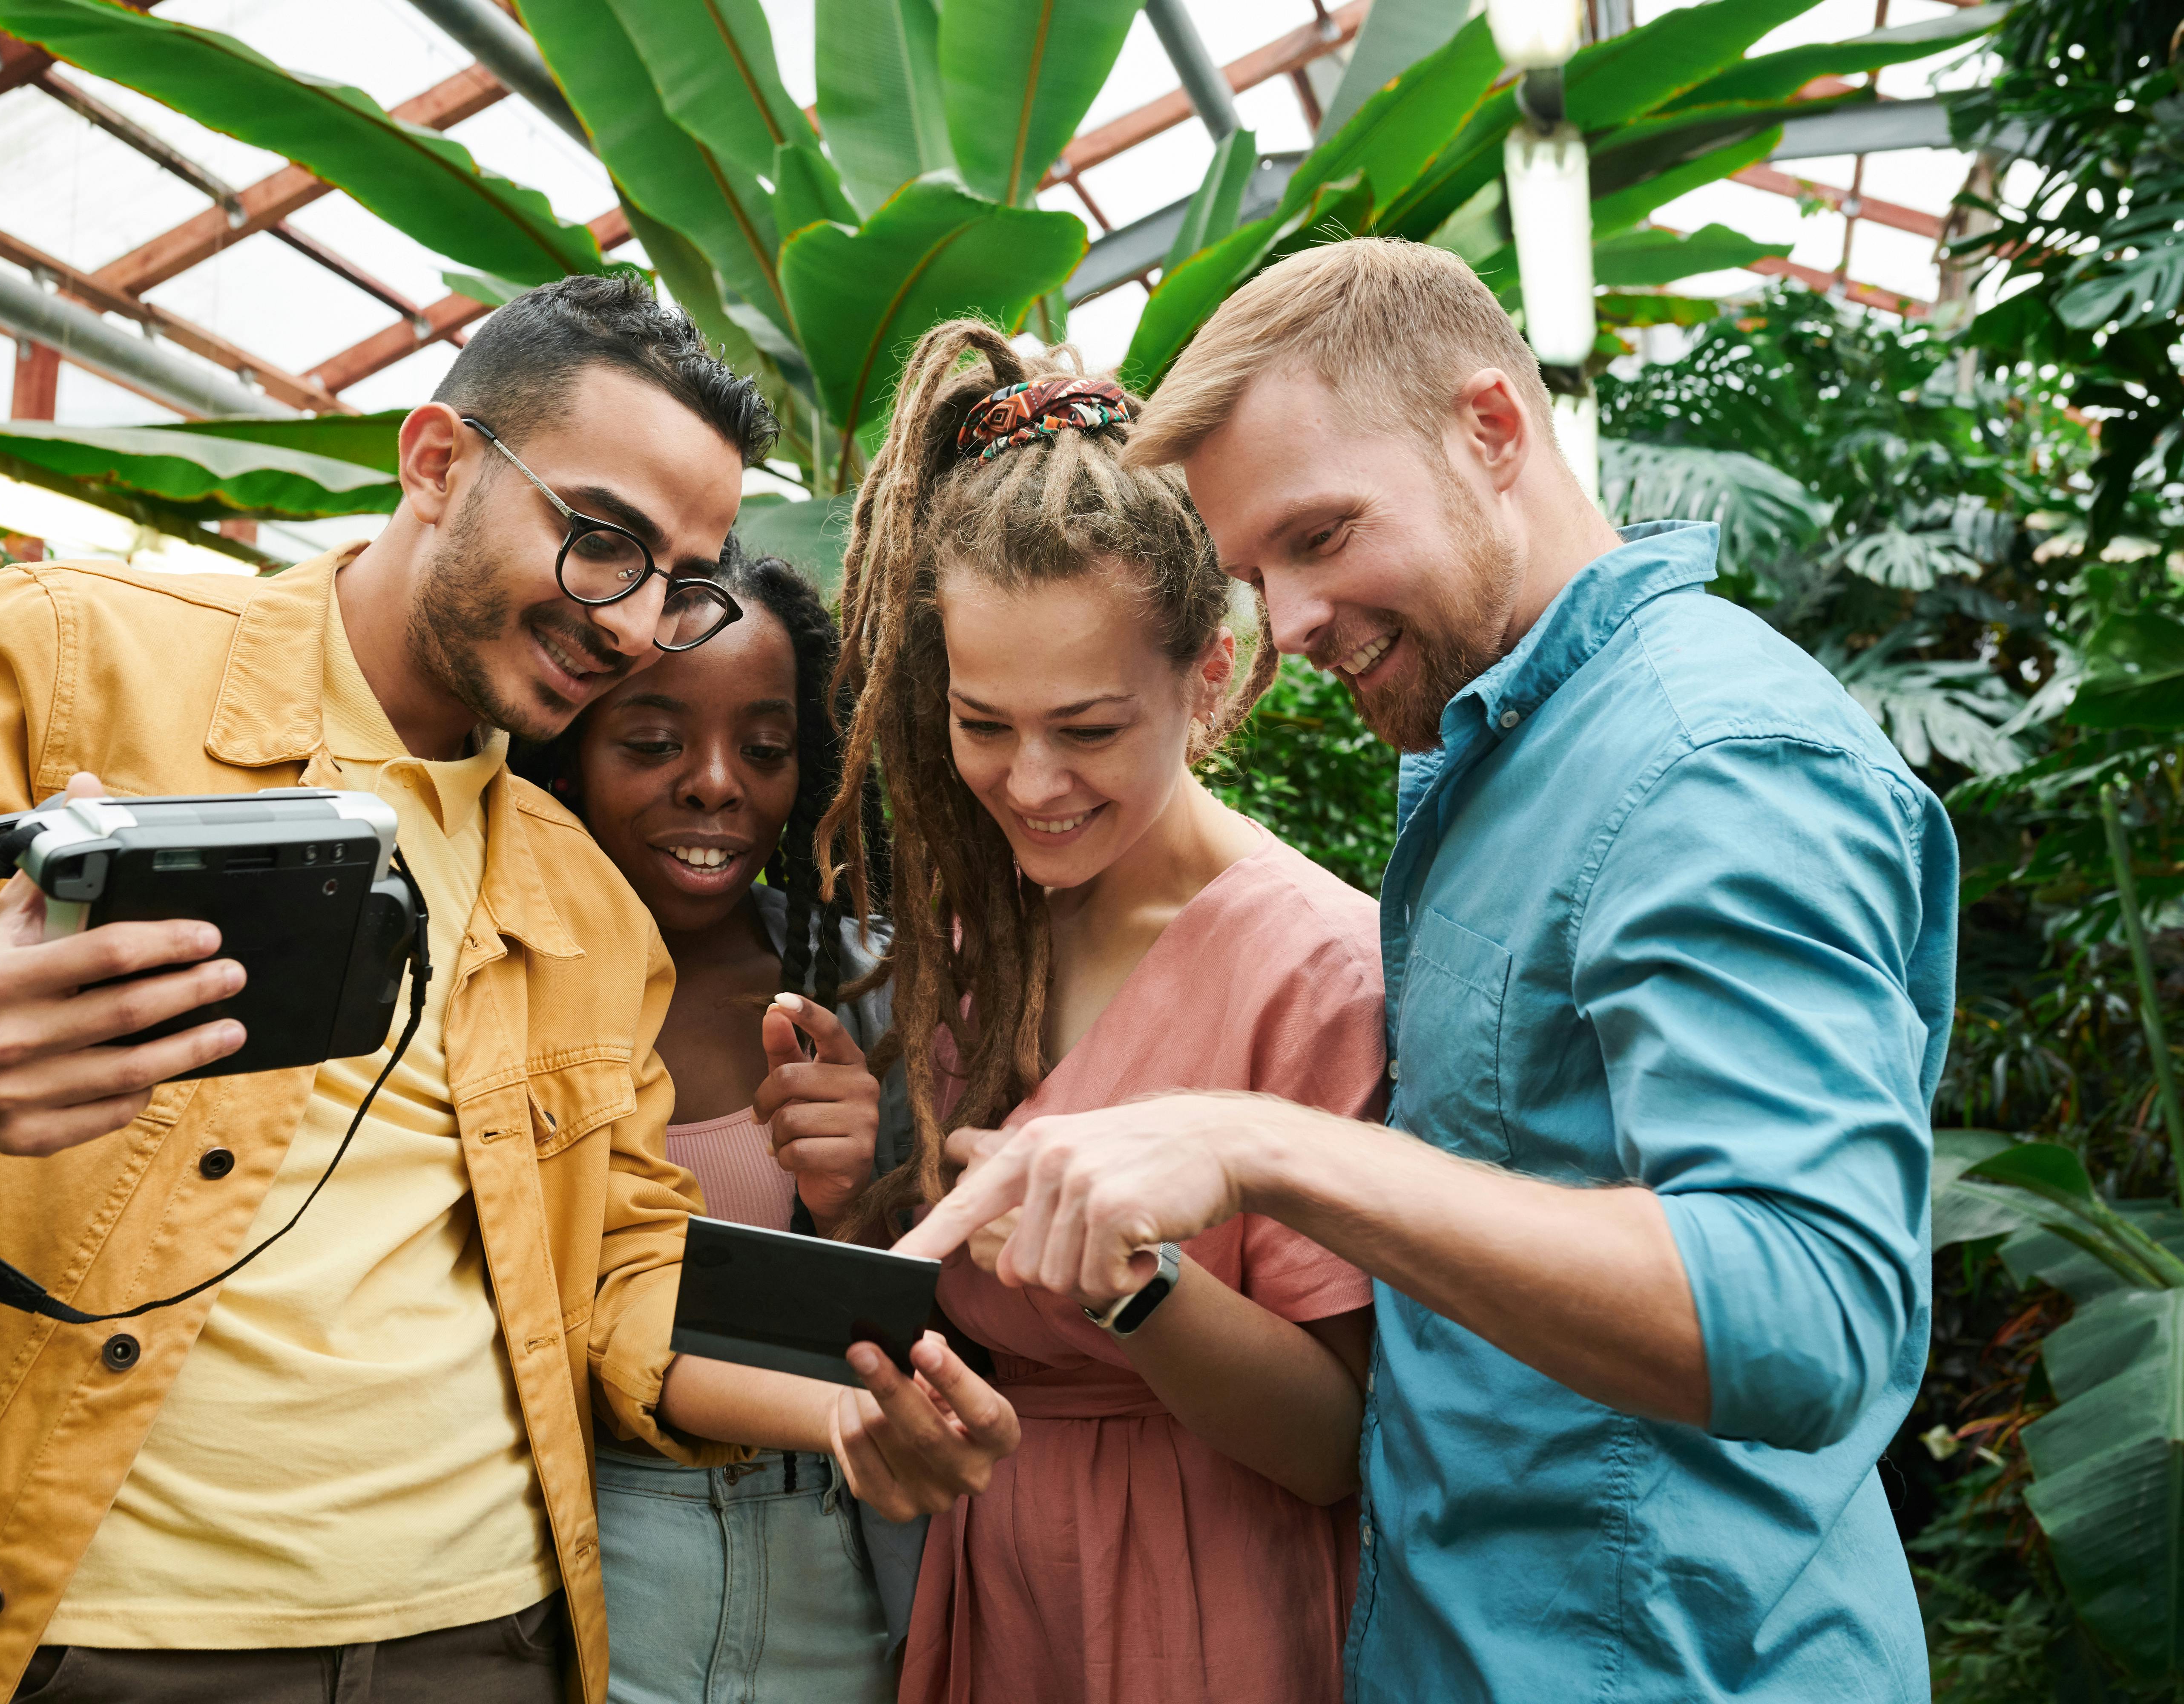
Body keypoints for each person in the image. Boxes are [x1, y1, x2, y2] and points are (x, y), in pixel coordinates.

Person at [0, 275, 1011, 1704]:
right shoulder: (61, 664)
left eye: (679, 580)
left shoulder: (581, 901)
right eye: (601, 542)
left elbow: (618, 1275)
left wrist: (845, 1417)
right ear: (436, 461)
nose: (636, 625)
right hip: (82, 1643)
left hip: (482, 1642)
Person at [903, 238, 1956, 1702]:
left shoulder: (1710, 766)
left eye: (1322, 536)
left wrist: (1259, 1145)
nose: (1294, 627)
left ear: (1494, 430)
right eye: (1260, 574)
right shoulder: (1504, 760)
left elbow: (1809, 1309)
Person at [817, 321, 1386, 1704]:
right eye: (981, 723)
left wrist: (1132, 1284)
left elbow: (1334, 1439)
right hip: (1000, 1573)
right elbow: (946, 1303)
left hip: (1210, 1591)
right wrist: (854, 1191)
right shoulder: (974, 933)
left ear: (1205, 685)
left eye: (1087, 730)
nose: (1027, 783)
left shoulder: (1320, 967)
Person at [513, 538, 945, 1702]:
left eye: (765, 750)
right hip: (560, 1549)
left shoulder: (867, 992)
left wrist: (859, 1199)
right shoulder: (492, 982)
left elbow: (931, 1321)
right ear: (566, 753)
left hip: (821, 1548)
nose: (716, 783)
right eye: (653, 742)